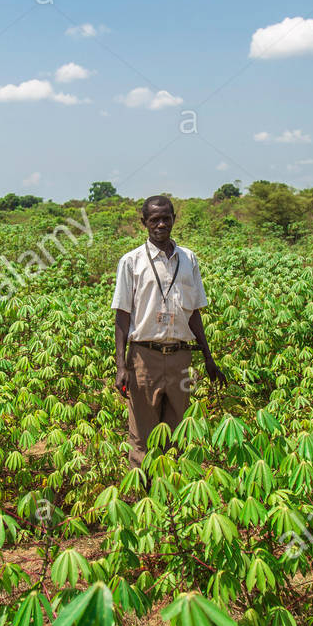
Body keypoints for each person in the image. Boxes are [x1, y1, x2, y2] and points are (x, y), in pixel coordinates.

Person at [112, 195, 225, 468]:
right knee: (142, 435)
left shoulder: (189, 259)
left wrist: (208, 358)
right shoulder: (131, 262)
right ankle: (143, 500)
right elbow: (122, 315)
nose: (161, 224)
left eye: (166, 218)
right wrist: (120, 365)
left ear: (174, 218)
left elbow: (194, 311)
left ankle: (172, 496)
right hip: (143, 358)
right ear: (144, 223)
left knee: (179, 431)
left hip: (180, 358)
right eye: (154, 219)